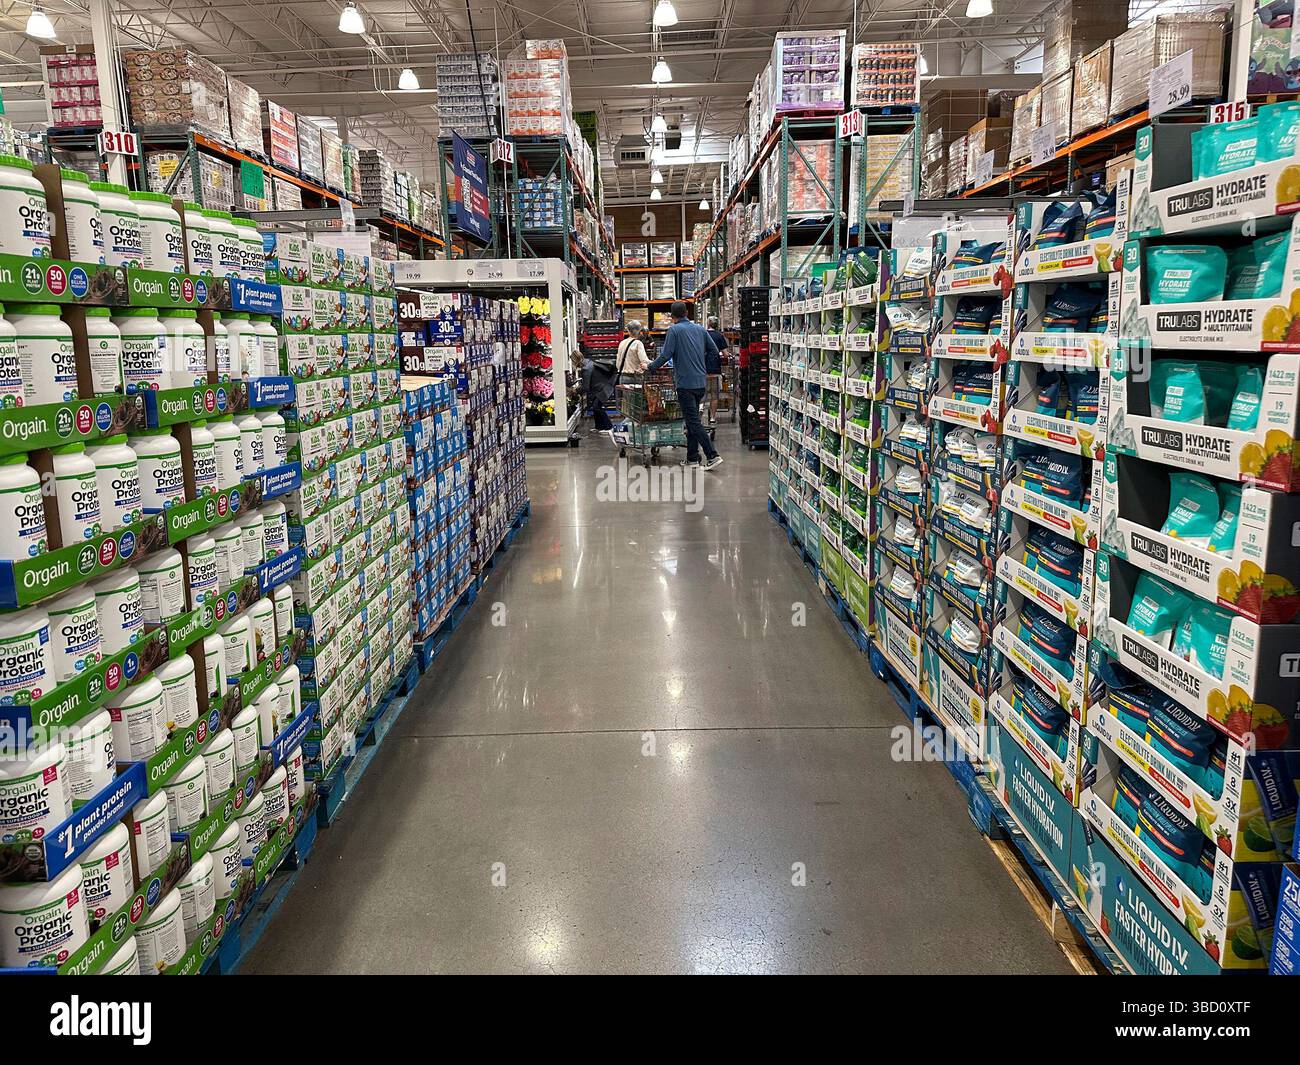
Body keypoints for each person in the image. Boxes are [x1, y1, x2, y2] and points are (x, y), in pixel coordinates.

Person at [646, 301, 723, 471]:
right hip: (700, 382)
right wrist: (701, 362)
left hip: (685, 383)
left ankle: (712, 455)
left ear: (672, 317)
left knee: (693, 422)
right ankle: (692, 459)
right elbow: (713, 350)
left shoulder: (674, 330)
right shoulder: (700, 329)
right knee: (691, 421)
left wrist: (651, 366)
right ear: (687, 312)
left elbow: (666, 354)